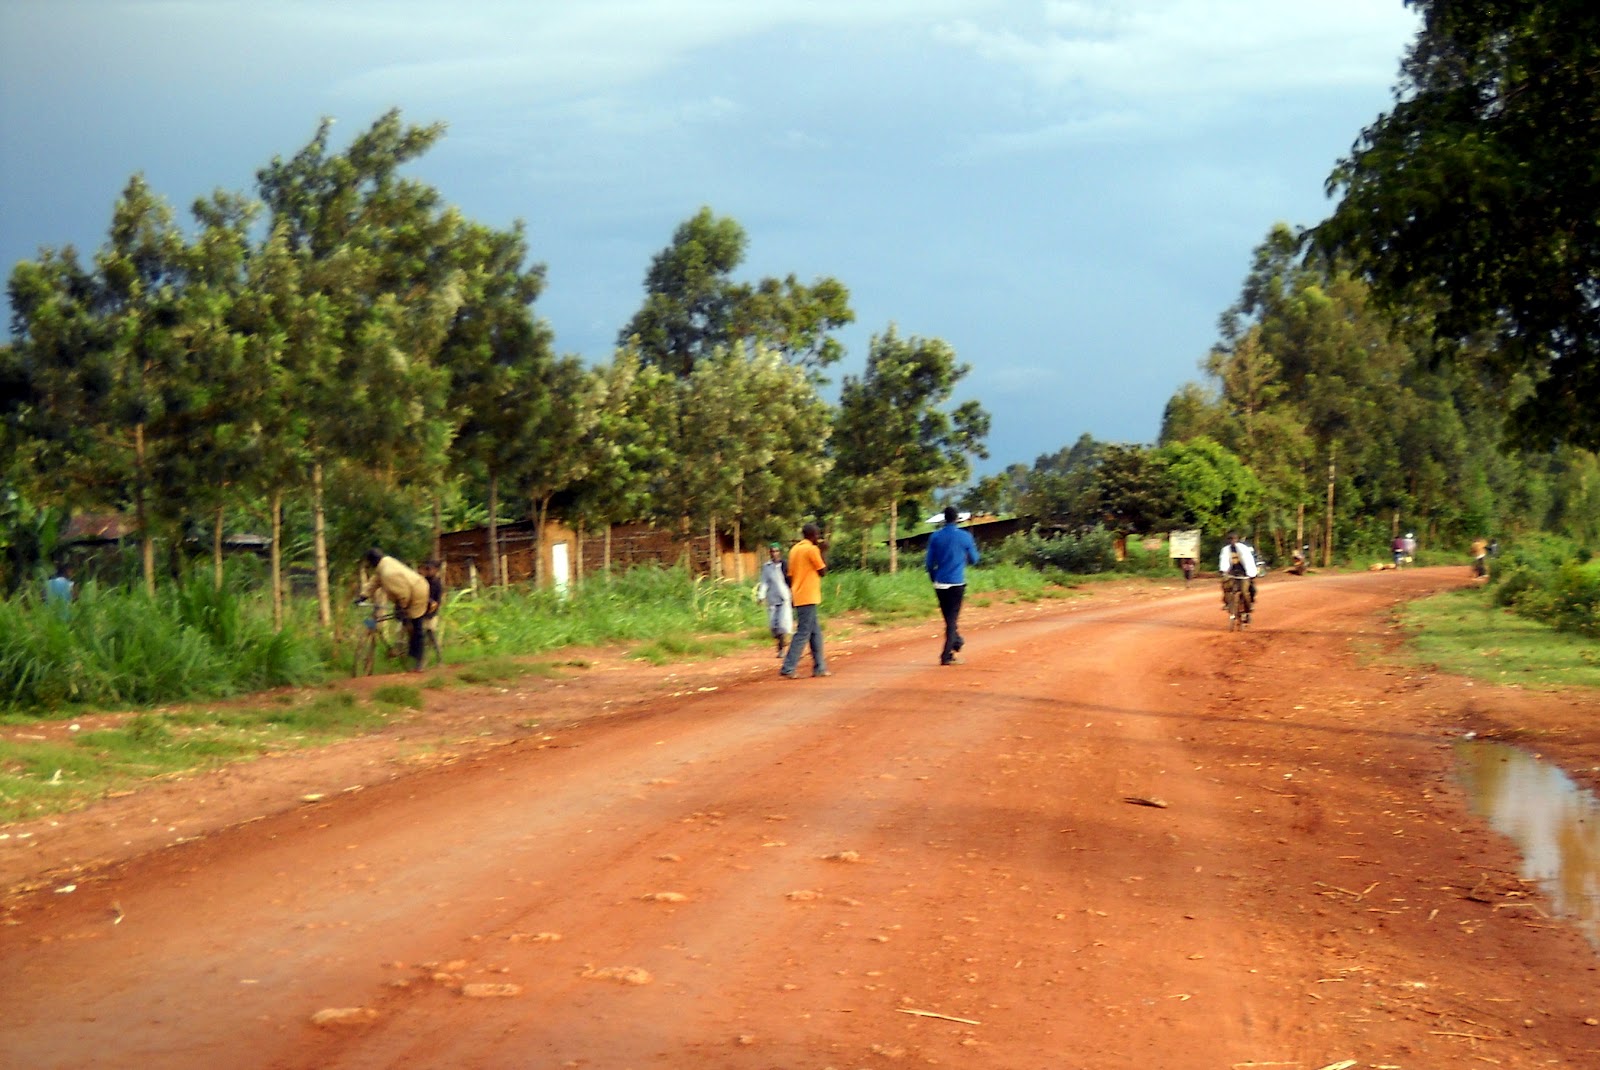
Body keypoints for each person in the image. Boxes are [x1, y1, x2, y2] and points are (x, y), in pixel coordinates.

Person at [358, 547, 431, 673]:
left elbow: (403, 593)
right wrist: (363, 596)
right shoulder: (384, 564)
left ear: (372, 561)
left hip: (417, 592)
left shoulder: (388, 573)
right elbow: (375, 581)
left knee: (416, 627)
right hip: (409, 591)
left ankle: (418, 660)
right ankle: (402, 645)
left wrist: (402, 606)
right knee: (402, 618)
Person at [925, 505, 980, 665]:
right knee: (952, 620)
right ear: (957, 519)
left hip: (940, 583)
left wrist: (934, 578)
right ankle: (946, 655)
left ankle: (956, 641)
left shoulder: (935, 536)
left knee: (949, 619)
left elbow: (929, 564)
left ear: (944, 518)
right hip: (957, 583)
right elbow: (975, 559)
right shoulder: (965, 536)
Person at [779, 523, 829, 679]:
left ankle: (820, 667)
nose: (818, 538)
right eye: (817, 535)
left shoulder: (794, 549)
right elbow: (822, 571)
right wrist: (823, 551)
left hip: (798, 594)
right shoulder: (812, 549)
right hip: (809, 595)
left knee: (815, 632)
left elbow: (789, 576)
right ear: (813, 535)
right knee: (803, 632)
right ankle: (788, 667)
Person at [756, 543, 793, 658]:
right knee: (773, 626)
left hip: (784, 598)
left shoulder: (785, 565)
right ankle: (781, 642)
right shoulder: (767, 567)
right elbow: (764, 582)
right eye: (772, 551)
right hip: (772, 599)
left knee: (782, 625)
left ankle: (782, 649)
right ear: (770, 553)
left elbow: (791, 581)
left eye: (776, 551)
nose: (774, 554)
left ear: (779, 552)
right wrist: (761, 596)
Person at [1218, 532, 1259, 623]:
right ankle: (1227, 603)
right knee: (1226, 586)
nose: (1232, 541)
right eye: (1230, 539)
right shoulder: (1225, 550)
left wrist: (1250, 573)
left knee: (1244, 592)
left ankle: (1248, 609)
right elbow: (1224, 560)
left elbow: (1248, 561)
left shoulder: (1243, 549)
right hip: (1232, 573)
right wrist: (1223, 570)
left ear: (1237, 540)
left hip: (1244, 573)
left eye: (1234, 539)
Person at [420, 558, 445, 665]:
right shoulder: (423, 581)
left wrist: (431, 613)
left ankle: (438, 658)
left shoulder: (437, 584)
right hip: (422, 611)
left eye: (430, 569)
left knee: (430, 633)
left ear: (436, 570)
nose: (428, 571)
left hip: (431, 613)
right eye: (427, 569)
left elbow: (437, 602)